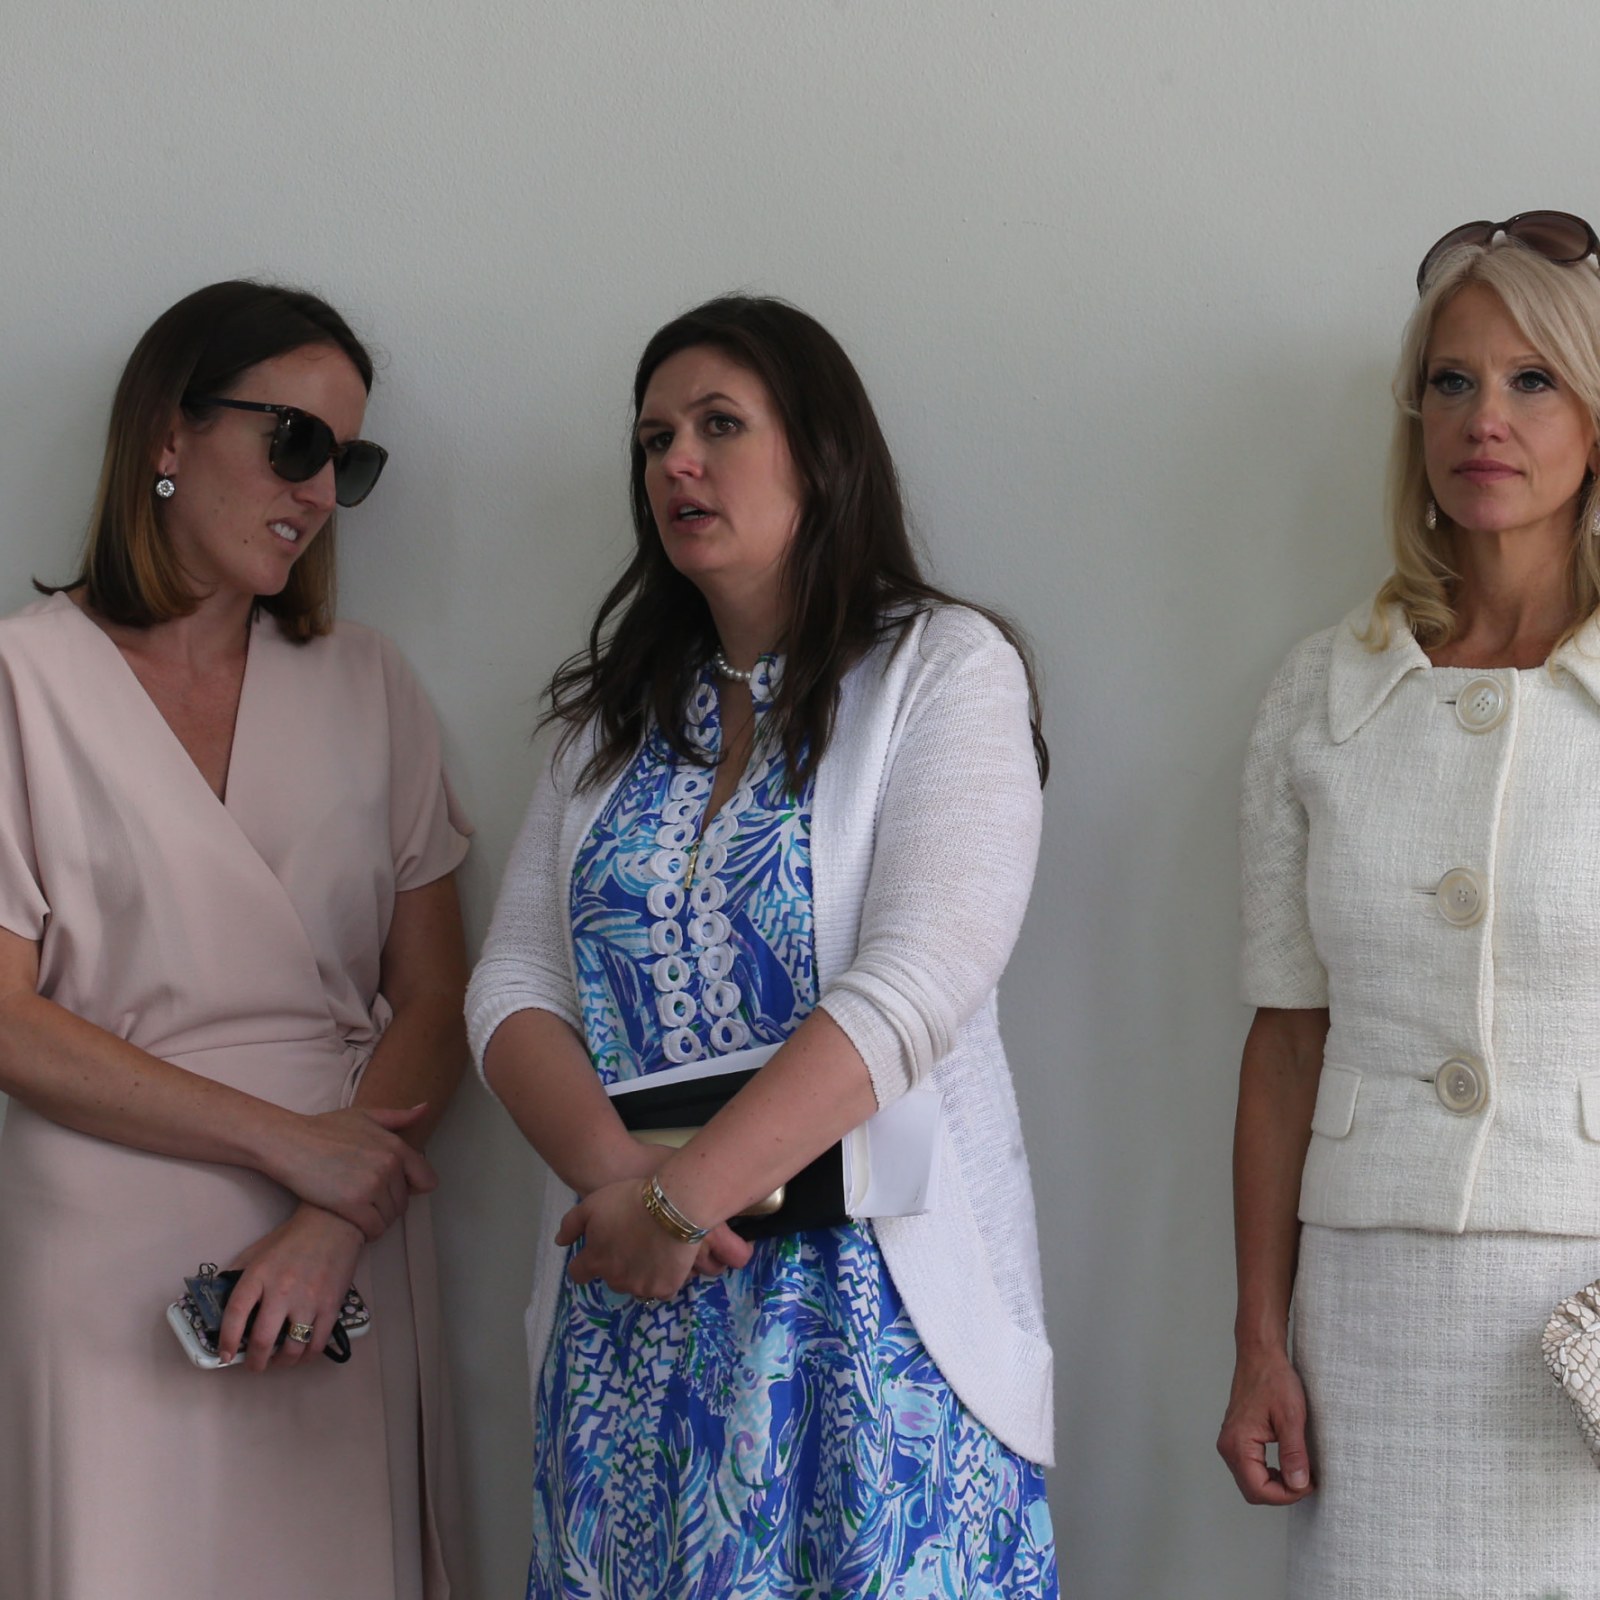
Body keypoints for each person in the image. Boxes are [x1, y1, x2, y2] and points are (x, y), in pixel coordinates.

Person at [467, 295, 1058, 1596]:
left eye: (718, 426)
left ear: (821, 453)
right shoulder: (608, 723)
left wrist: (681, 1202)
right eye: (653, 439)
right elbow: (512, 986)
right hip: (633, 1313)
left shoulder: (943, 670)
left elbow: (920, 981)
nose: (676, 461)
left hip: (876, 1329)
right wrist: (626, 1194)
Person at [0, 280, 471, 1599]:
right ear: (167, 432)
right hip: (105, 1252)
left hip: (342, 1250)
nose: (319, 492)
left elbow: (437, 993)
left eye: (347, 463)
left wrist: (330, 1212)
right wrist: (287, 1145)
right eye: (294, 442)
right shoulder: (20, 683)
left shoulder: (371, 683)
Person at [1218, 213, 1600, 1595]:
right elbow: (1285, 1043)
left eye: (1532, 380)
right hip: (1367, 1312)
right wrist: (1261, 1341)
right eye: (1451, 381)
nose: (1484, 417)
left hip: (1582, 1299)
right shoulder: (1319, 696)